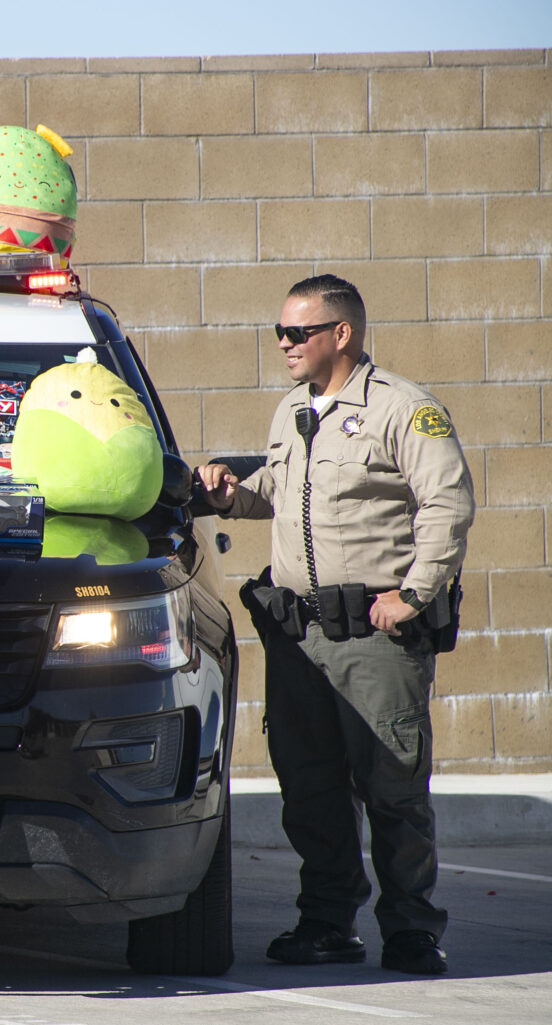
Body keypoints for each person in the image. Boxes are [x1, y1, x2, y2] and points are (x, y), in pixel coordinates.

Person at [196, 275, 474, 976]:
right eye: (281, 332)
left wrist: (413, 595)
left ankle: (411, 928)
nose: (285, 344)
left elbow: (447, 503)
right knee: (310, 785)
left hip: (375, 636)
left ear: (341, 333)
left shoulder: (402, 409)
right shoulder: (293, 409)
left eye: (299, 332)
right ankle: (327, 921)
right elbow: (286, 492)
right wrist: (235, 493)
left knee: (392, 787)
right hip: (300, 639)